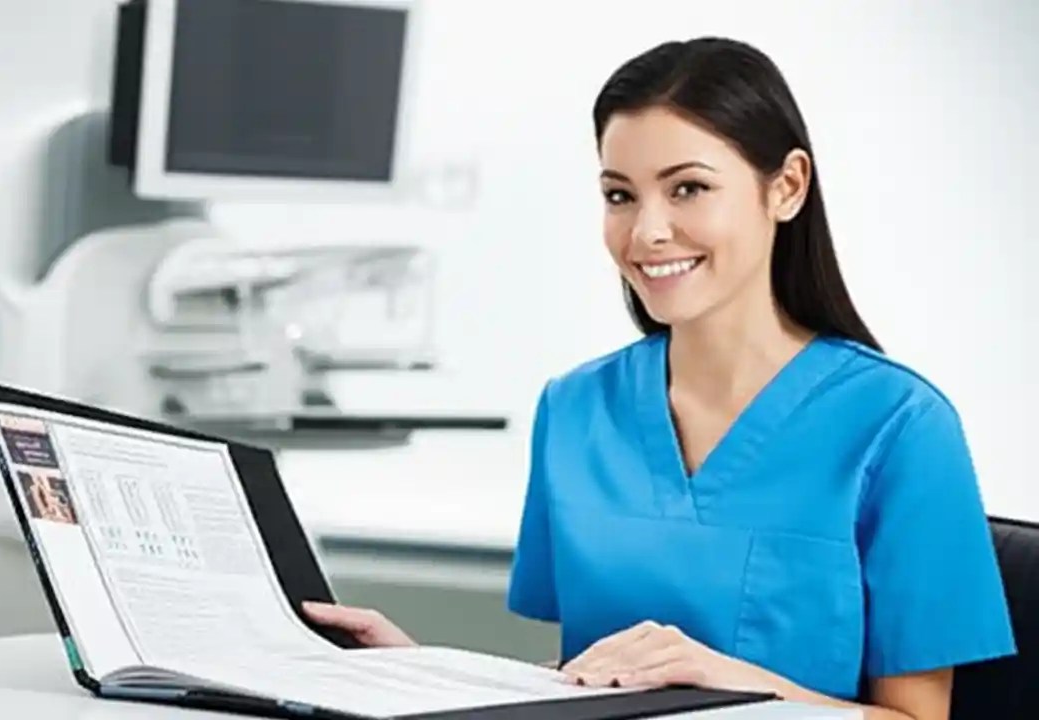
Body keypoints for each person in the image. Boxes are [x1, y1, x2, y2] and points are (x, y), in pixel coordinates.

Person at [302, 37, 1016, 719]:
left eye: (688, 189)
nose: (646, 232)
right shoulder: (575, 409)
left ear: (787, 188)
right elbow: (582, 684)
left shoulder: (899, 426)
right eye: (620, 195)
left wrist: (731, 682)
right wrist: (415, 674)